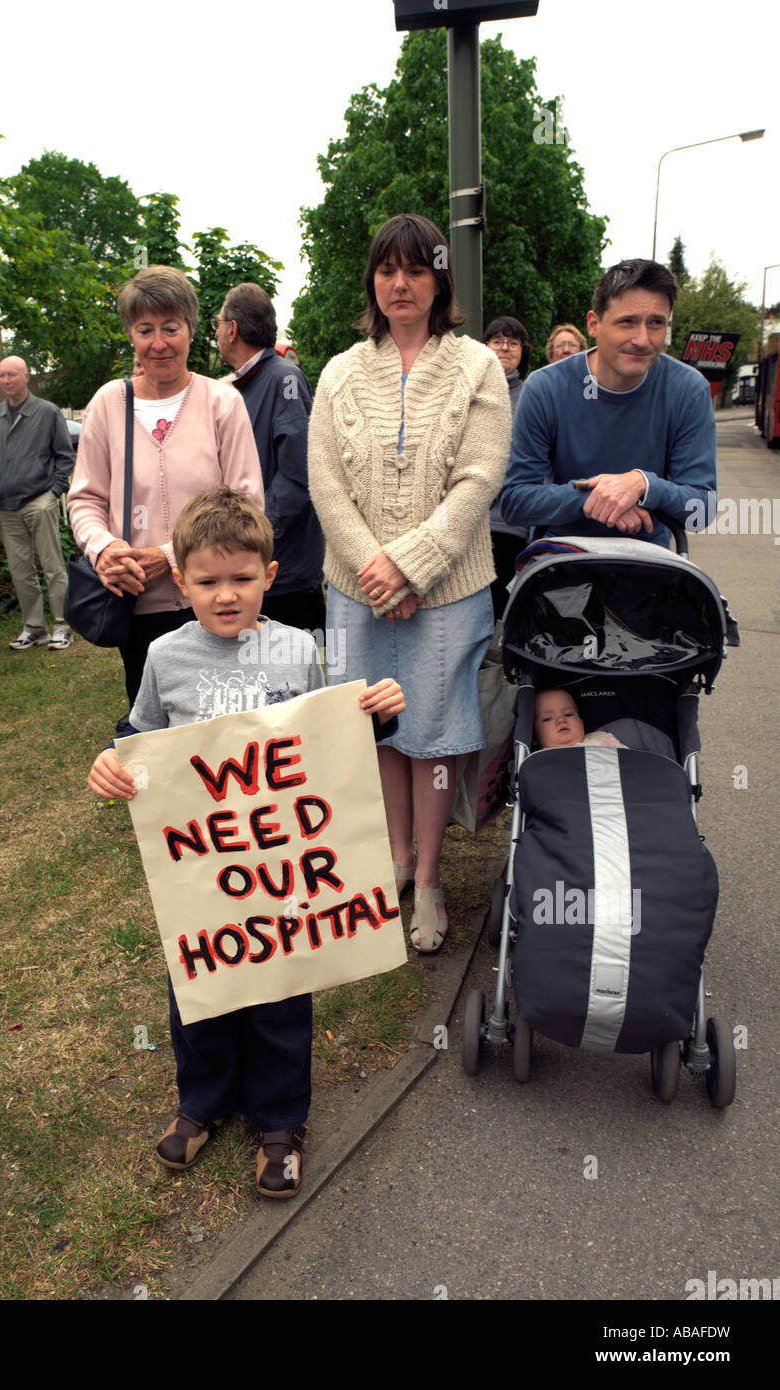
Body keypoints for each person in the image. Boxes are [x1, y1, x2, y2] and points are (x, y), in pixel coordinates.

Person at [87, 486, 404, 1197]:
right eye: (206, 581)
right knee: (198, 984)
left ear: (269, 573)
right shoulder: (164, 658)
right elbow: (142, 734)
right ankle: (202, 1100)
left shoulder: (297, 649)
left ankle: (280, 1120)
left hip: (280, 868)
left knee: (279, 995)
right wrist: (115, 761)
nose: (225, 596)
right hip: (201, 870)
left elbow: (329, 741)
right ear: (180, 581)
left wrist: (376, 718)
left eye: (241, 579)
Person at [308, 213, 512, 954]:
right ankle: (392, 858)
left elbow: (479, 475)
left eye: (416, 270)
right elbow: (325, 483)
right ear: (372, 280)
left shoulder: (476, 367)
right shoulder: (336, 371)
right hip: (356, 585)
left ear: (437, 280)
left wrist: (413, 564)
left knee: (432, 735)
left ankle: (427, 877)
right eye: (386, 270)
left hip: (448, 588)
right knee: (380, 730)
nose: (400, 283)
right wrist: (375, 569)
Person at [68, 266, 264, 732]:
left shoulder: (222, 403)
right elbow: (85, 500)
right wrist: (105, 549)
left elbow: (247, 503)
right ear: (130, 335)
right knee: (157, 730)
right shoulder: (107, 405)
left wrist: (167, 555)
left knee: (228, 725)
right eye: (145, 329)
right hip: (136, 606)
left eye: (171, 328)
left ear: (191, 331)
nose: (159, 342)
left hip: (218, 597)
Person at [500, 259, 716, 548]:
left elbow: (702, 510)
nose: (643, 340)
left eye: (656, 323)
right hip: (562, 562)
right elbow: (514, 501)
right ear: (593, 324)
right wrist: (596, 496)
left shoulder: (688, 389)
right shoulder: (546, 388)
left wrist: (643, 484)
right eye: (627, 322)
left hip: (650, 566)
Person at [214, 283, 325, 633]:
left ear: (232, 330)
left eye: (218, 324)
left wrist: (254, 533)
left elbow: (297, 475)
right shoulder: (238, 386)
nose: (215, 334)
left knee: (296, 677)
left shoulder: (284, 378)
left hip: (284, 570)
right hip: (256, 564)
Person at [0, 356, 75, 651]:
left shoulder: (46, 412)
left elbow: (65, 456)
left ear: (26, 377)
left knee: (52, 567)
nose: (6, 380)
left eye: (12, 375)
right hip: (6, 506)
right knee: (21, 572)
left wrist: (54, 493)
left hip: (39, 501)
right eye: (2, 375)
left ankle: (62, 624)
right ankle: (34, 628)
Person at [482, 316, 531, 618]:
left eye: (513, 343)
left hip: (510, 524)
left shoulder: (532, 394)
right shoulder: (469, 390)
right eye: (497, 341)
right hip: (468, 522)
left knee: (502, 611)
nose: (505, 348)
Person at [534, 689, 625, 749]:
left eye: (568, 714)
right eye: (547, 719)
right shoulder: (537, 761)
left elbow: (629, 761)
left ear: (581, 723)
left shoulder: (602, 739)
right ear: (533, 737)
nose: (561, 720)